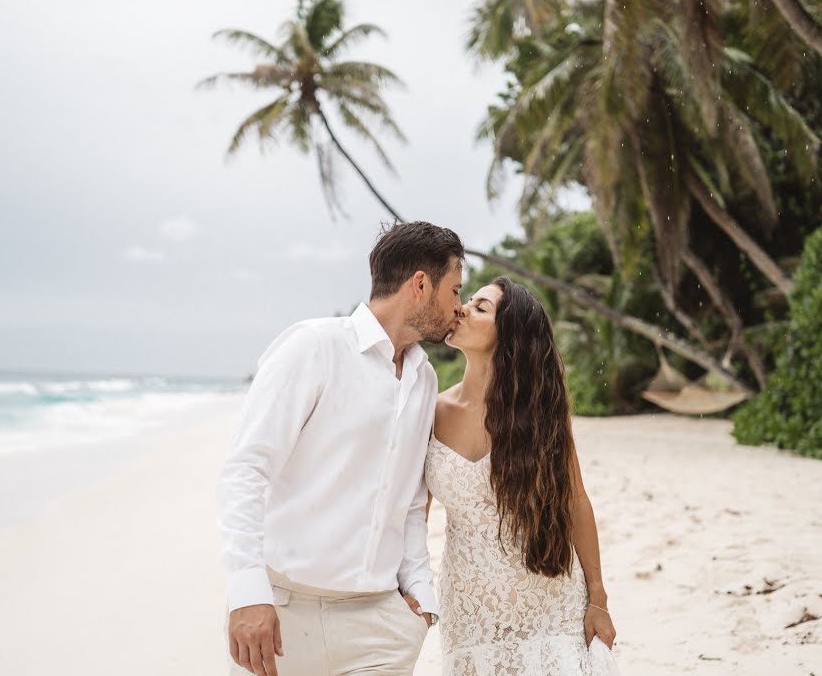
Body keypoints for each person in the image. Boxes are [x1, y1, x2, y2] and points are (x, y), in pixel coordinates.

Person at [217, 221, 465, 676]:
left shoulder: (424, 378)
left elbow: (411, 501)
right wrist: (248, 590)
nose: (459, 307)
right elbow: (247, 468)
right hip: (283, 619)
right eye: (454, 290)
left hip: (380, 628)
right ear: (421, 284)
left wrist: (420, 594)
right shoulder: (313, 347)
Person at [427, 276, 620, 674]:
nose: (462, 308)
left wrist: (598, 601)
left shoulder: (539, 414)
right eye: (468, 299)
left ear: (508, 335)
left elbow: (575, 502)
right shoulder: (430, 411)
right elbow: (412, 513)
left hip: (549, 599)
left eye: (481, 307)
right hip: (468, 611)